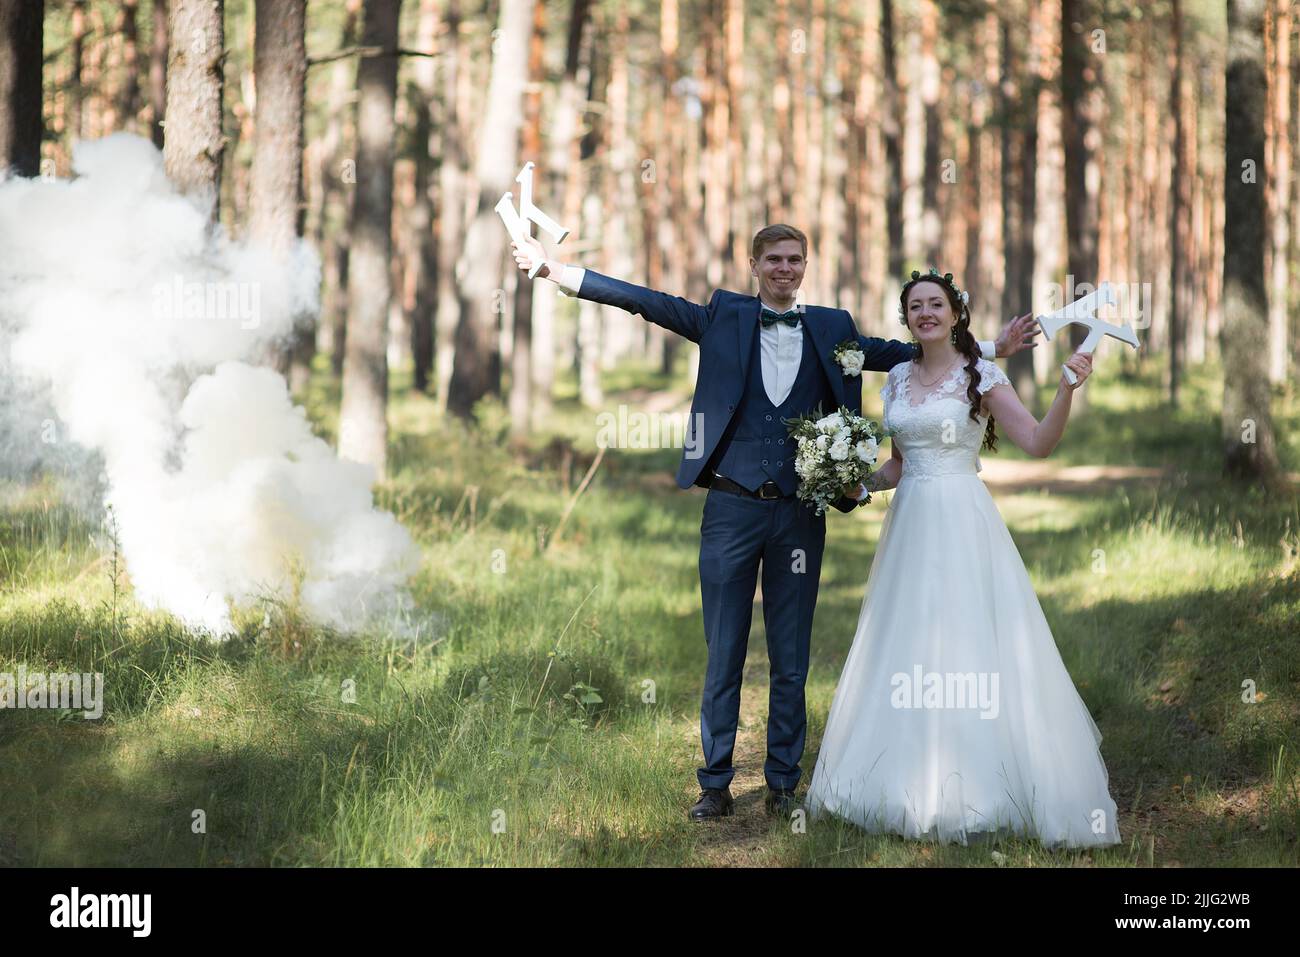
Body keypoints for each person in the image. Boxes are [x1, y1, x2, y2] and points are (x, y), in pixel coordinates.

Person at [511, 230, 1038, 821]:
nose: (784, 269)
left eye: (794, 260)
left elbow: (909, 352)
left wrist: (991, 346)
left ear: (806, 266)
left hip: (799, 513)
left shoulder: (833, 327)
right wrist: (555, 271)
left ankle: (783, 783)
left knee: (791, 655)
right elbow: (643, 298)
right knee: (724, 648)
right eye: (773, 260)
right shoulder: (722, 314)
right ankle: (714, 783)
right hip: (731, 508)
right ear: (754, 264)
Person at [804, 269, 1121, 849]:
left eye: (937, 304)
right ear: (906, 319)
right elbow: (900, 463)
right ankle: (899, 781)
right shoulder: (896, 378)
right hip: (910, 526)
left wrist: (1067, 389)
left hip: (963, 519)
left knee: (971, 640)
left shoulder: (982, 372)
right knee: (905, 642)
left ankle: (983, 784)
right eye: (916, 306)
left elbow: (1038, 442)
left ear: (955, 314)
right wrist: (857, 484)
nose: (926, 313)